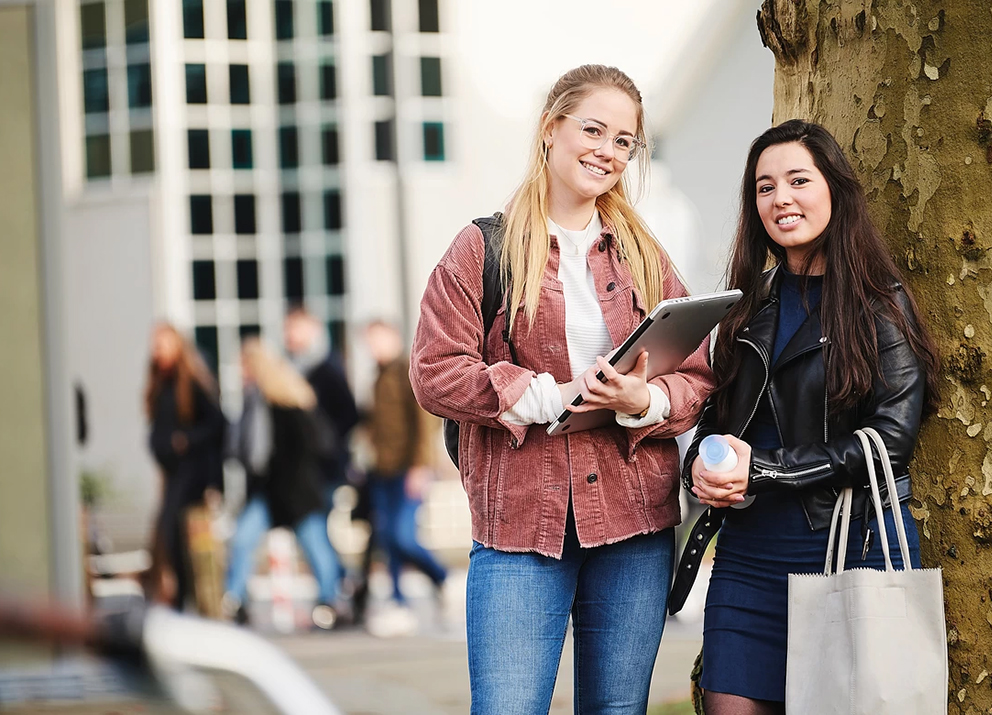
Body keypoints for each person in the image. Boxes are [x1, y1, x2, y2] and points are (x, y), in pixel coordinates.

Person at [410, 64, 716, 713]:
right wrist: (554, 394)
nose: (607, 150)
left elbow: (697, 374)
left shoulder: (642, 253)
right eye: (593, 129)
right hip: (519, 530)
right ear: (551, 130)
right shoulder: (480, 249)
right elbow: (434, 370)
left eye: (624, 140)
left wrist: (646, 402)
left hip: (635, 528)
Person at [683, 119, 941, 715]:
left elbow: (891, 439)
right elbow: (714, 421)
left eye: (798, 180)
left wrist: (766, 471)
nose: (781, 198)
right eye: (764, 187)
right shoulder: (745, 307)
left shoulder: (880, 301)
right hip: (749, 558)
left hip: (853, 545)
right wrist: (701, 464)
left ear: (834, 189)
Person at [221, 338, 343, 630]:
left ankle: (331, 601)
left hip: (296, 493)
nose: (240, 372)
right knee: (242, 539)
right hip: (268, 493)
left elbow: (314, 450)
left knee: (316, 547)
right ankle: (234, 600)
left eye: (244, 365)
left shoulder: (290, 405)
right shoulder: (255, 403)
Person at [360, 320, 447, 627]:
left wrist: (420, 467)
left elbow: (425, 422)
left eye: (376, 340)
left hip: (408, 469)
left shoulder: (407, 370)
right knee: (387, 539)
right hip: (381, 470)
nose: (372, 348)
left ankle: (442, 577)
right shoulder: (378, 375)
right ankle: (398, 601)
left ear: (393, 338)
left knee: (403, 535)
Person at [144, 323, 225, 611]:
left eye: (163, 345)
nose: (158, 351)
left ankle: (197, 604)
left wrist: (185, 441)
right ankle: (176, 602)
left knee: (189, 543)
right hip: (173, 474)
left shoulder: (190, 382)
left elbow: (216, 424)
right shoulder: (160, 383)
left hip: (193, 476)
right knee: (169, 538)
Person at [283, 306, 361, 495]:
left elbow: (349, 414)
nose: (289, 335)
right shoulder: (293, 369)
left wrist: (326, 443)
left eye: (295, 328)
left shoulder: (327, 368)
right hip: (304, 465)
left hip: (324, 465)